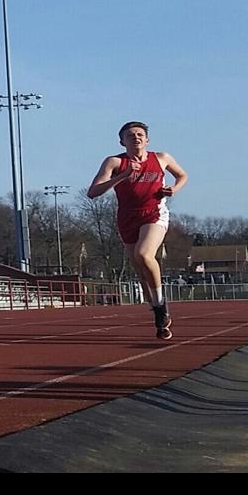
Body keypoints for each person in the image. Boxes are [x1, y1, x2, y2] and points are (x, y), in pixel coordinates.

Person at [85, 121, 188, 340]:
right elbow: (92, 192)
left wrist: (174, 189)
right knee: (140, 269)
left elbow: (182, 176)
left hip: (154, 213)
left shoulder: (161, 158)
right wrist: (122, 176)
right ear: (122, 142)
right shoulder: (114, 162)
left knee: (144, 254)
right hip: (127, 217)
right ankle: (158, 315)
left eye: (140, 134)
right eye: (130, 136)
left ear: (147, 140)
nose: (136, 138)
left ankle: (161, 306)